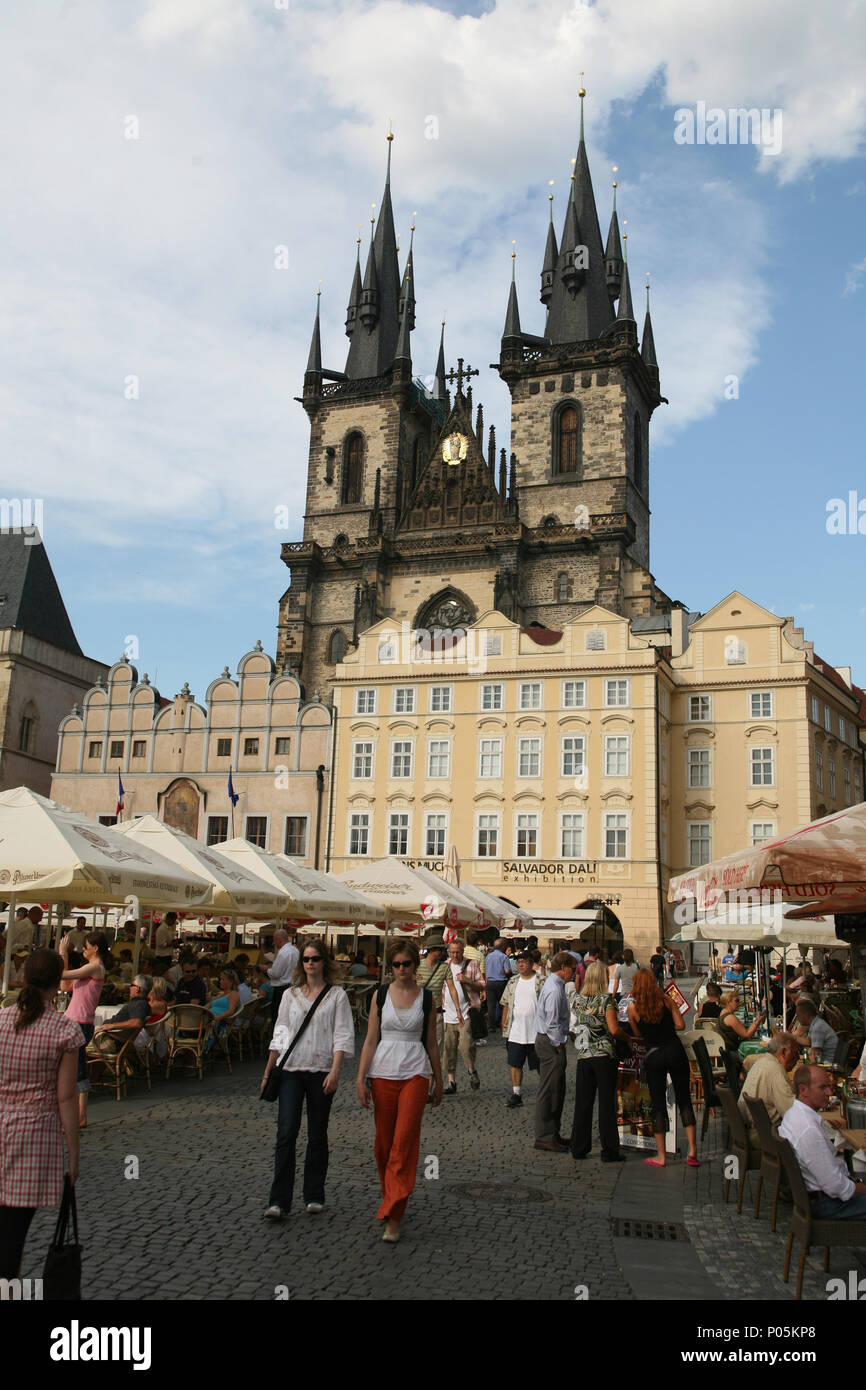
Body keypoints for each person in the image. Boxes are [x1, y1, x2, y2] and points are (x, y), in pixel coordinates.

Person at [0, 949, 82, 1279]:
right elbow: (65, 1097)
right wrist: (73, 1154)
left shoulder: (1, 1020)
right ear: (58, 983)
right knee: (12, 1237)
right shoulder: (63, 1030)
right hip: (33, 1138)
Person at [356, 939, 442, 1241]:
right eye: (396, 964)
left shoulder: (427, 998)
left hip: (415, 1074)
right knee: (383, 1144)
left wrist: (439, 1079)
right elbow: (369, 1040)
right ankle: (390, 1194)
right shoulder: (380, 995)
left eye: (406, 963)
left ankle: (394, 1214)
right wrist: (360, 1077)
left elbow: (431, 1042)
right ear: (389, 967)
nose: (402, 969)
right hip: (382, 1073)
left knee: (403, 1143)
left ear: (414, 965)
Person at [261, 938, 354, 1219]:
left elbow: (342, 1035)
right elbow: (280, 1034)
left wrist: (336, 1070)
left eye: (315, 958)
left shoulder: (337, 995)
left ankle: (314, 1194)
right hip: (290, 1070)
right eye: (306, 959)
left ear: (324, 961)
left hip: (321, 1070)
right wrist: (268, 1071)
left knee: (317, 1134)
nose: (310, 964)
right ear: (301, 963)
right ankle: (278, 1200)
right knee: (286, 1132)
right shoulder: (290, 995)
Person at [628, 969, 698, 1169]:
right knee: (684, 1100)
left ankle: (661, 1156)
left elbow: (637, 1034)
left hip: (654, 1055)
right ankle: (692, 1151)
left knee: (658, 1104)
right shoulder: (666, 1000)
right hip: (674, 1050)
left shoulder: (633, 1008)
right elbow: (680, 1024)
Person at [779, 1065, 866, 1218]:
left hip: (819, 1196)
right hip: (826, 1204)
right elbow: (835, 1186)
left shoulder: (793, 1114)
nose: (830, 1093)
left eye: (830, 1087)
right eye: (823, 1088)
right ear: (803, 1090)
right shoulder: (808, 1129)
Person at [570, 960, 630, 1163]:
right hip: (604, 1056)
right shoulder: (606, 1001)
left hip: (584, 1055)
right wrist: (627, 1038)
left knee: (583, 1103)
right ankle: (609, 1150)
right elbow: (614, 1029)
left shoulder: (578, 1000)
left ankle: (579, 1146)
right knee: (606, 1103)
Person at [59, 930, 109, 1128]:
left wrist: (63, 953)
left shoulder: (96, 967)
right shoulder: (89, 967)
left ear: (95, 949)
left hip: (81, 1023)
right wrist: (63, 956)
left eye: (85, 947)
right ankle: (77, 1114)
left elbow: (61, 974)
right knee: (73, 1067)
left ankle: (79, 1115)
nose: (83, 951)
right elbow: (64, 985)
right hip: (74, 1021)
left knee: (77, 1069)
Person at [534, 952, 575, 1152]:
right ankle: (544, 1136)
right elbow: (551, 1023)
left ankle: (553, 1133)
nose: (574, 974)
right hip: (550, 1043)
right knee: (549, 1090)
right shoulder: (554, 989)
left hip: (551, 1041)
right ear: (564, 967)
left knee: (557, 1089)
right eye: (573, 969)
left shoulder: (556, 985)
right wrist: (558, 1044)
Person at [738, 1032, 799, 1144]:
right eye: (795, 1053)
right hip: (764, 1136)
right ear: (784, 1052)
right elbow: (792, 1113)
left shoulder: (762, 1062)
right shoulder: (775, 1070)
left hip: (749, 1130)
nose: (798, 1058)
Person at [500, 951, 543, 1108]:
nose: (521, 965)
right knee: (514, 1063)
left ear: (532, 963)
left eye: (524, 962)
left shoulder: (541, 981)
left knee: (540, 1064)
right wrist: (504, 1026)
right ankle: (516, 1093)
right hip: (516, 1031)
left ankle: (546, 1090)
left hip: (536, 1032)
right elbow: (505, 1004)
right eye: (518, 962)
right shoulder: (512, 981)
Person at [441, 939, 484, 1094]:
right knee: (448, 1049)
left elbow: (482, 984)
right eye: (452, 952)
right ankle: (451, 1082)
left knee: (466, 1046)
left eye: (458, 952)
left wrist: (468, 981)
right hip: (447, 1013)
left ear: (462, 951)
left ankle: (472, 1070)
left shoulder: (471, 965)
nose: (455, 955)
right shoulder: (444, 965)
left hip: (466, 1012)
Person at [417, 938, 449, 1055]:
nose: (442, 952)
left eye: (442, 949)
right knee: (419, 1042)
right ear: (431, 950)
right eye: (439, 949)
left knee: (437, 1043)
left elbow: (452, 989)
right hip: (418, 1010)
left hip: (437, 1010)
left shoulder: (444, 967)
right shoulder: (417, 966)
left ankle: (433, 1072)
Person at [718, 991, 766, 1066]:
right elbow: (747, 1034)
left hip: (725, 1052)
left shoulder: (722, 1013)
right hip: (731, 1054)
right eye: (736, 1001)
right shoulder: (730, 1018)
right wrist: (758, 1021)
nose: (738, 1003)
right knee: (759, 1058)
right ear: (728, 1003)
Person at [267, 929, 300, 1026]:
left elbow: (276, 973)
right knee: (290, 1017)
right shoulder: (295, 950)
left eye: (274, 940)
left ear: (278, 939)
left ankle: (279, 1038)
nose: (274, 943)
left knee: (278, 1017)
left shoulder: (283, 953)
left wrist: (267, 970)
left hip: (282, 989)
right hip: (293, 986)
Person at [796, 999, 839, 1065]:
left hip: (828, 1063)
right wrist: (792, 1037)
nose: (797, 1019)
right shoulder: (816, 1023)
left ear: (806, 1015)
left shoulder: (817, 1027)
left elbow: (814, 1055)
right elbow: (808, 1041)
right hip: (826, 1061)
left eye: (798, 1015)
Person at [484, 938, 511, 1032]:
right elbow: (507, 971)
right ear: (503, 947)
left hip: (490, 982)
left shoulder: (488, 956)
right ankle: (500, 1022)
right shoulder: (504, 957)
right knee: (502, 1003)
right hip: (501, 982)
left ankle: (491, 1025)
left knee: (491, 1005)